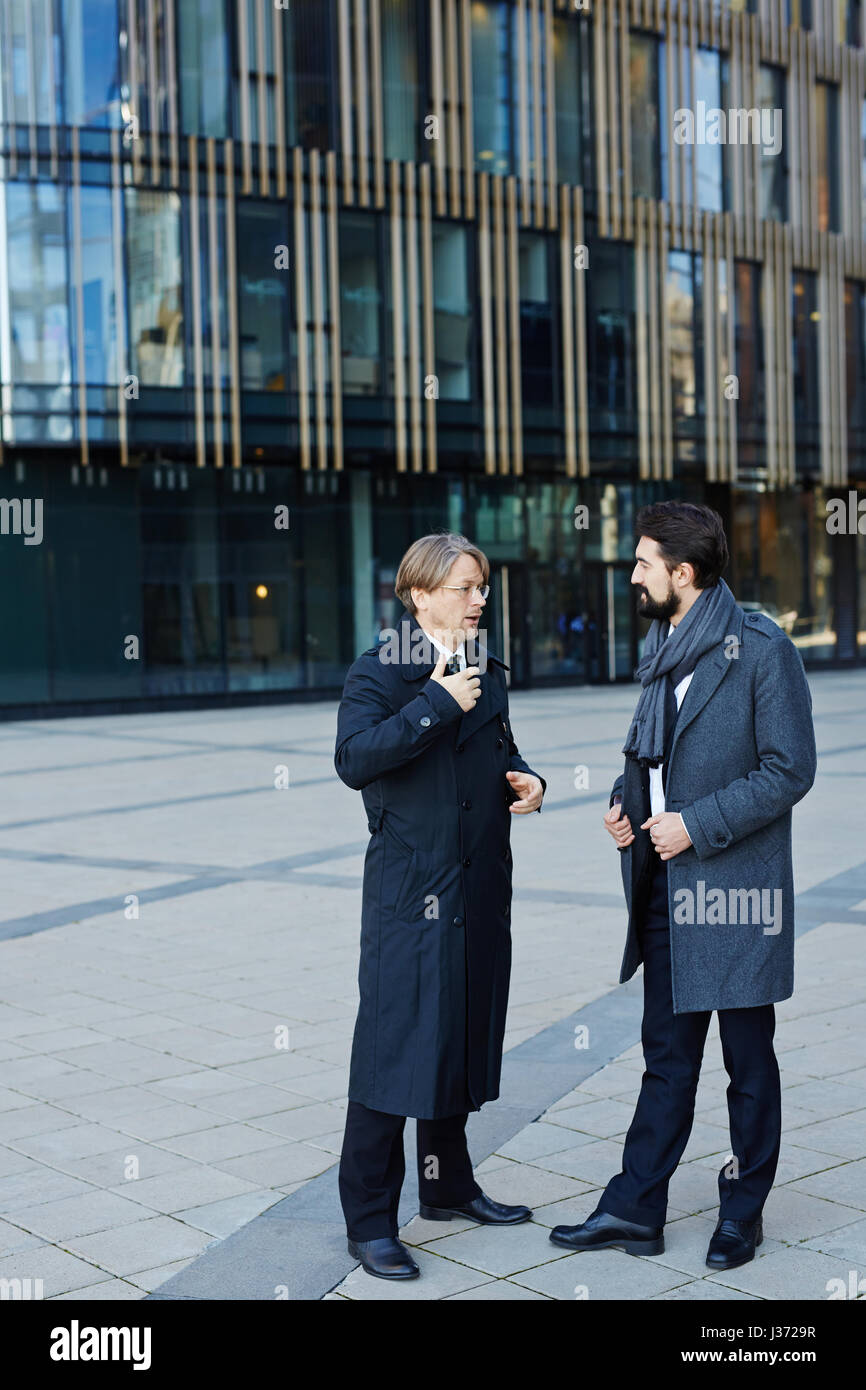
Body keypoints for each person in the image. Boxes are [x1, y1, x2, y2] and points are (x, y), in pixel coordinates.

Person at [550, 502, 816, 1271]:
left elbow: (789, 769)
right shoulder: (663, 644)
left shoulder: (763, 651)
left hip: (736, 892)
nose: (632, 574)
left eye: (642, 562)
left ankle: (745, 1211)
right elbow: (649, 756)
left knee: (746, 1058)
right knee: (666, 1056)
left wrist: (696, 824)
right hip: (667, 886)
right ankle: (637, 1207)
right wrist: (625, 806)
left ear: (683, 573)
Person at [335, 532, 546, 1280]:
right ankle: (368, 1222)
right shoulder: (378, 673)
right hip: (409, 896)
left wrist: (527, 782)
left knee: (456, 1035)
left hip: (480, 887)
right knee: (394, 1049)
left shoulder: (486, 670)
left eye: (483, 587)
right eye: (465, 587)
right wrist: (431, 703)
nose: (479, 599)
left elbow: (503, 750)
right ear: (420, 594)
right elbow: (354, 761)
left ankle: (447, 1187)